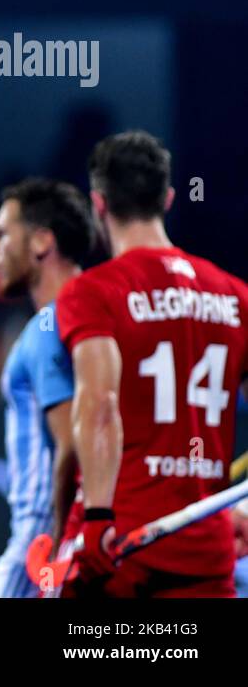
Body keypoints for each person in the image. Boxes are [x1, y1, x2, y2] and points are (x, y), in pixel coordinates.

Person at [58, 131, 248, 598]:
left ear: (98, 203)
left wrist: (99, 517)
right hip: (206, 546)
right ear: (167, 198)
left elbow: (100, 405)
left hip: (120, 541)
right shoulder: (236, 295)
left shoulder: (94, 291)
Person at [0, 177, 94, 597]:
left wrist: (61, 545)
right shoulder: (98, 312)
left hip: (44, 538)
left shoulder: (49, 324)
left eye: (1, 233)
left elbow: (70, 444)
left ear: (42, 241)